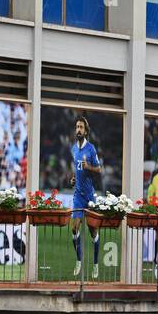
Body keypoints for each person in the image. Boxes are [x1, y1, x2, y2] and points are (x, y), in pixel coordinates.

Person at [69, 114, 103, 279]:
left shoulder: (91, 149)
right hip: (78, 195)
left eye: (81, 127)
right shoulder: (74, 148)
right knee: (74, 228)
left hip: (89, 195)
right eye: (77, 127)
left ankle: (95, 264)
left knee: (92, 231)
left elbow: (99, 169)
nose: (78, 130)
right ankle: (78, 260)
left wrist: (88, 166)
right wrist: (73, 178)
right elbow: (76, 168)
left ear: (86, 130)